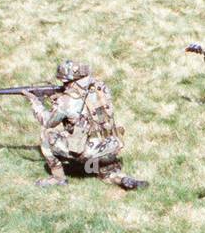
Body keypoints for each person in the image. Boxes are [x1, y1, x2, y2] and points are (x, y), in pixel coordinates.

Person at [28, 60, 146, 190]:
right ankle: (122, 179)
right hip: (110, 144)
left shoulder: (67, 99)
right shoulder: (101, 88)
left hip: (89, 151)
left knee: (46, 136)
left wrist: (35, 102)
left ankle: (58, 178)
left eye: (64, 82)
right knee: (107, 173)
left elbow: (47, 122)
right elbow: (88, 110)